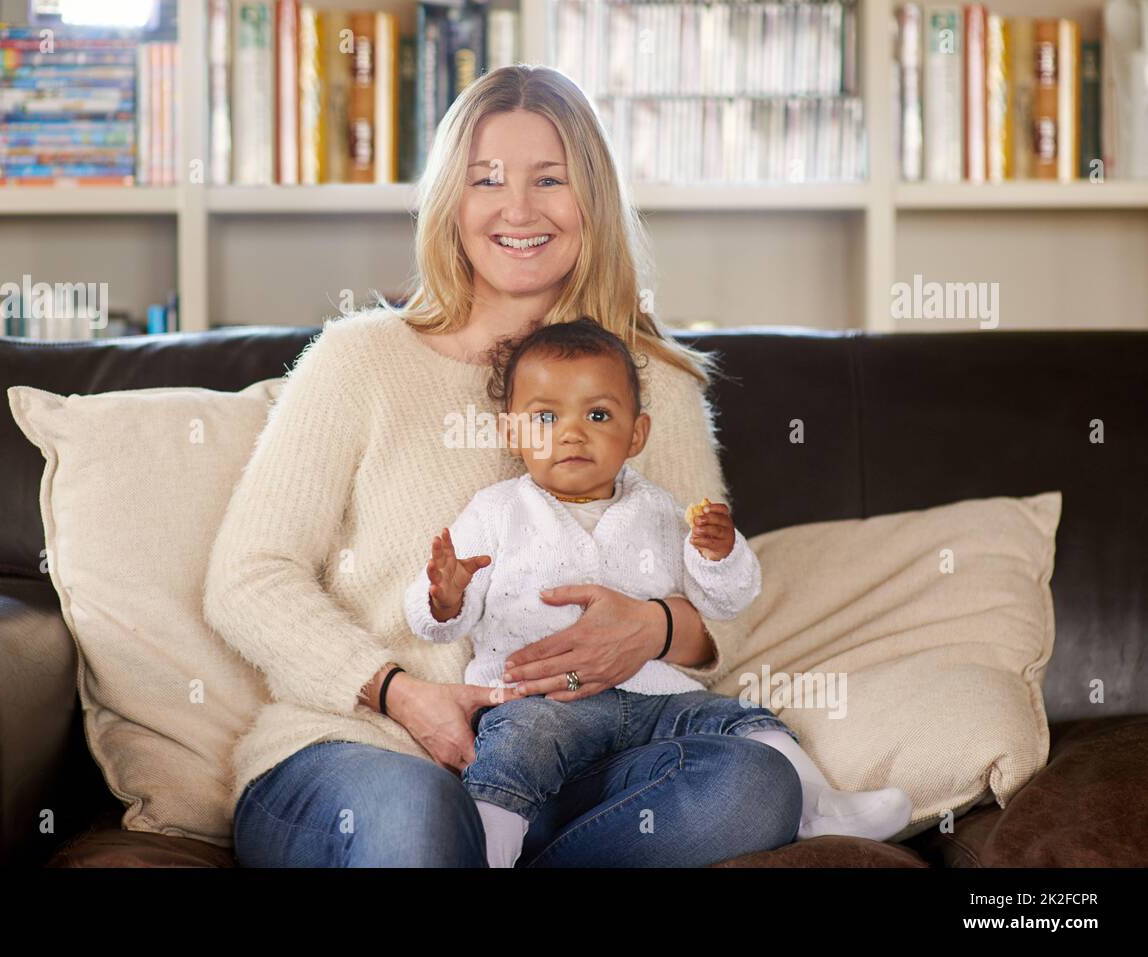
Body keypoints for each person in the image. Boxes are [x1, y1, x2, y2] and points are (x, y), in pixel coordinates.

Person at [205, 65, 813, 866]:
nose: (518, 209)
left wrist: (655, 626)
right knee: (421, 821)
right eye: (486, 179)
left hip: (581, 755)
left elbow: (722, 611)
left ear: (589, 199)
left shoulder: (649, 378)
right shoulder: (359, 359)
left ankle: (501, 842)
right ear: (450, 201)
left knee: (755, 785)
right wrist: (401, 692)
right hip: (365, 748)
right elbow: (247, 576)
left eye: (550, 180)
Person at [403, 317, 913, 866]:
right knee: (515, 749)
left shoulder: (662, 511)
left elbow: (725, 601)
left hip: (652, 699)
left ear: (637, 434)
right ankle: (490, 846)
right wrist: (445, 598)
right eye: (545, 417)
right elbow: (439, 624)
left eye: (598, 415)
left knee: (741, 719)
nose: (572, 433)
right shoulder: (496, 511)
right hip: (542, 701)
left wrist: (719, 554)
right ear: (511, 433)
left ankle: (816, 805)